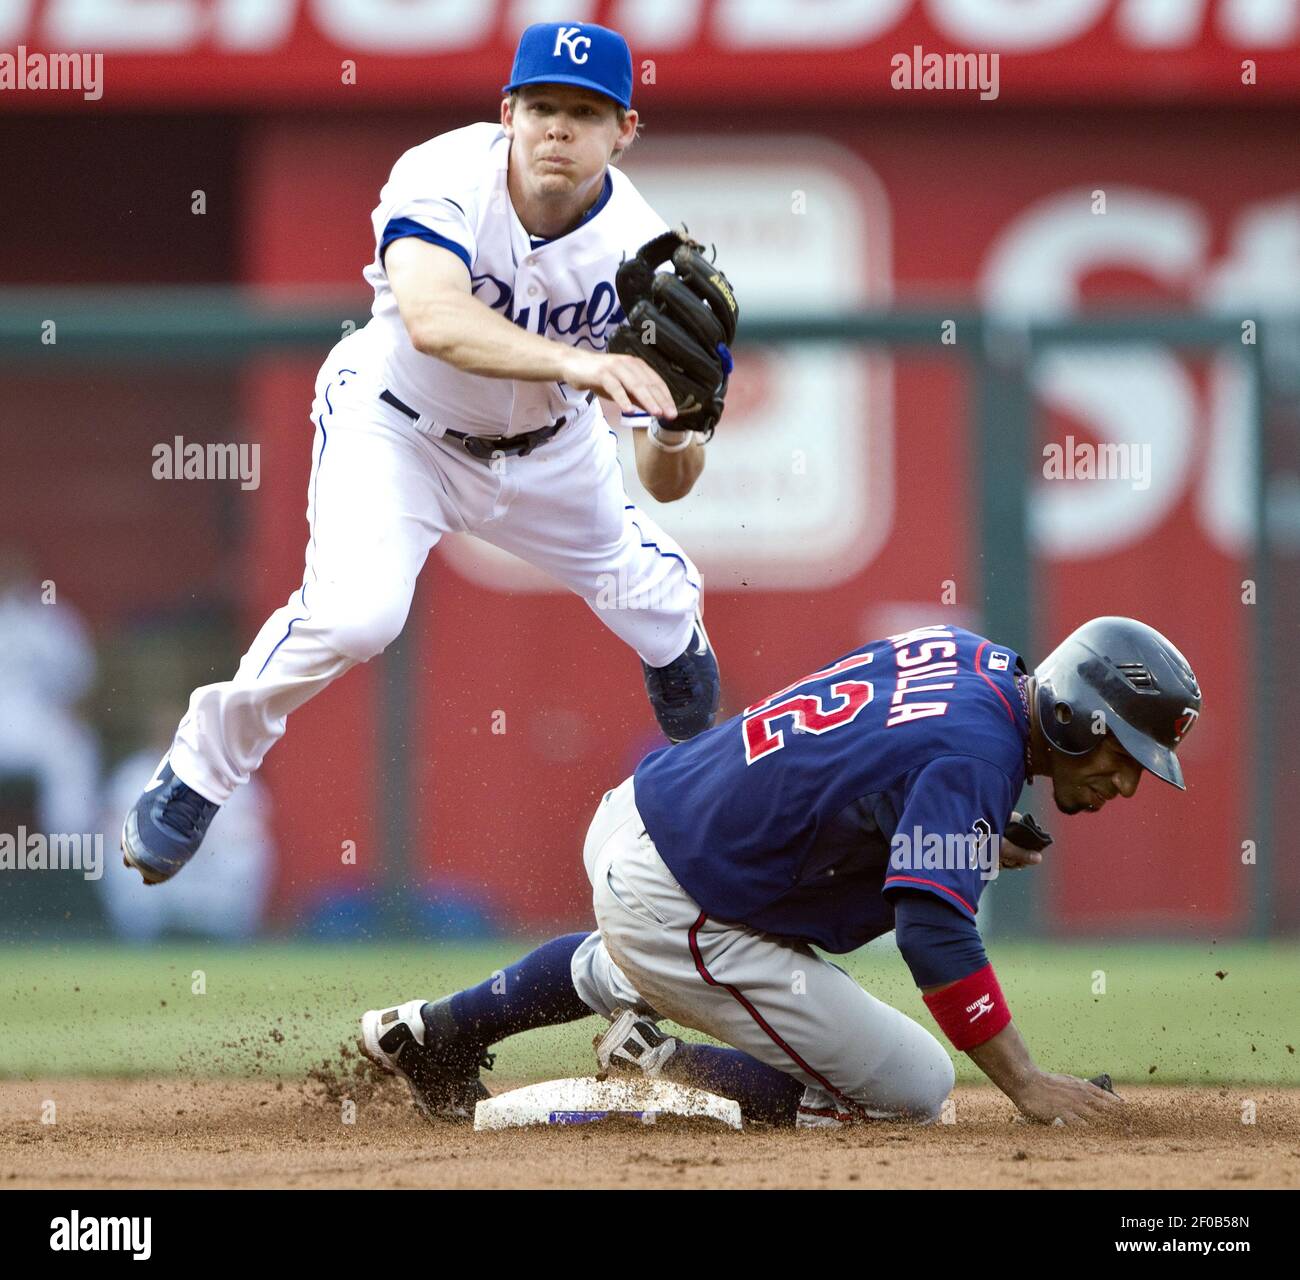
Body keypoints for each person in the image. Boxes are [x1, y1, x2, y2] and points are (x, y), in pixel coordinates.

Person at [122, 21, 724, 885]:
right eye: (544, 106)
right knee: (359, 616)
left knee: (659, 607)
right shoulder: (441, 174)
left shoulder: (644, 254)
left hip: (552, 452)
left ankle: (709, 771)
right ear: (509, 112)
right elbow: (437, 321)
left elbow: (668, 485)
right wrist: (586, 363)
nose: (559, 128)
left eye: (585, 113)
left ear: (624, 131)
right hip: (399, 426)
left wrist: (675, 422)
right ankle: (199, 770)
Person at [358, 617, 1202, 1128]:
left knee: (666, 955)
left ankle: (437, 1032)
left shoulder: (973, 657)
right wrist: (1026, 1083)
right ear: (1074, 715)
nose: (1128, 780)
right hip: (673, 894)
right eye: (1123, 752)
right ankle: (660, 1070)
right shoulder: (975, 755)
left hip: (645, 815)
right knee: (913, 1088)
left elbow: (865, 763)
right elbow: (934, 934)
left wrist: (963, 829)